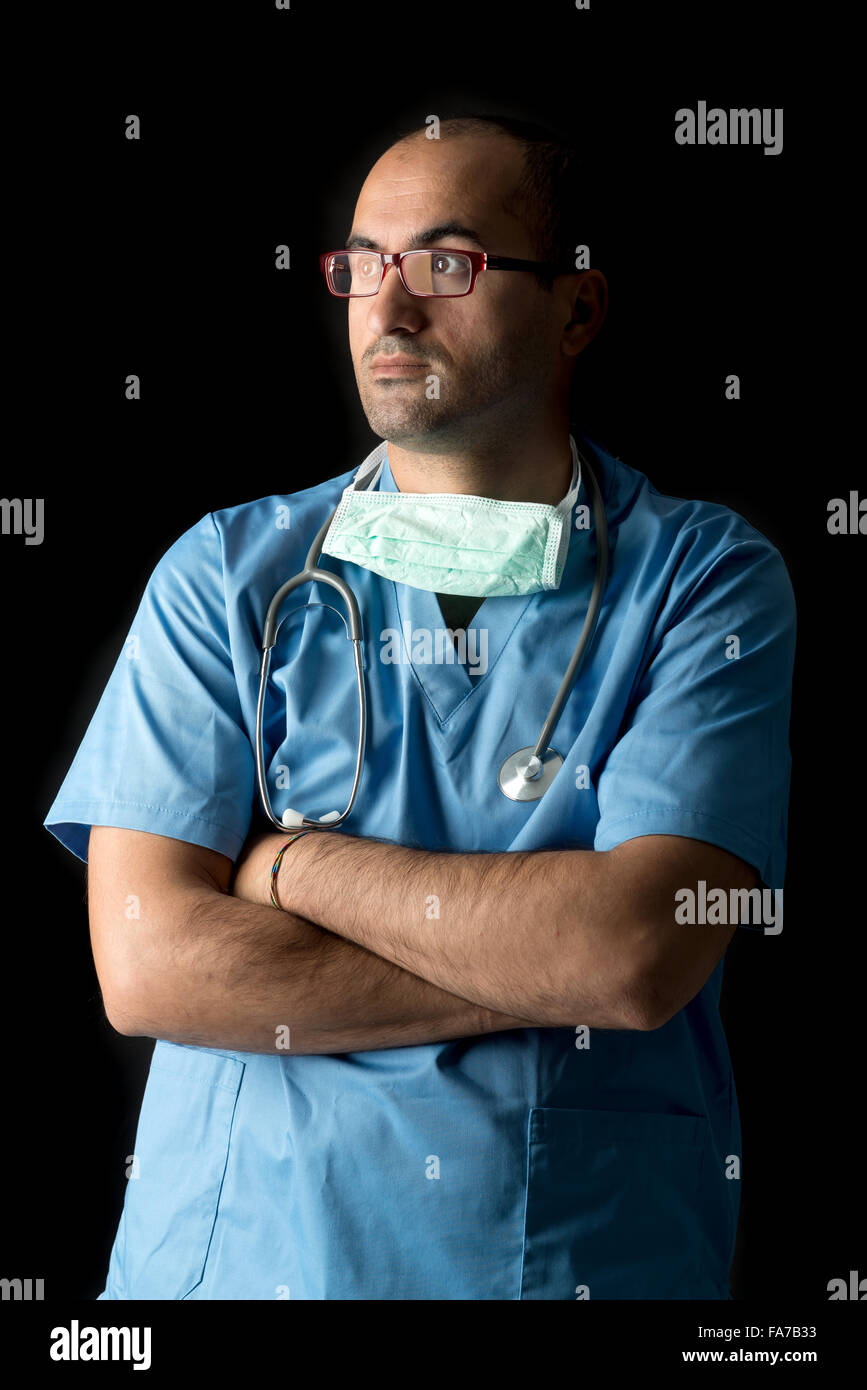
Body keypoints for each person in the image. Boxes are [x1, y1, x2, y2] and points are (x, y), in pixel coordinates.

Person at [44, 115, 796, 1300]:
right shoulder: (228, 575)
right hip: (247, 1262)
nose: (388, 313)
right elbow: (147, 966)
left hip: (568, 1265)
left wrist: (289, 869)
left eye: (448, 265)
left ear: (578, 311)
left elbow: (638, 949)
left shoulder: (702, 579)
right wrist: (549, 962)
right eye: (362, 267)